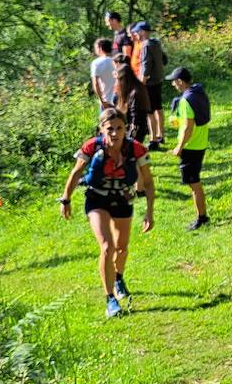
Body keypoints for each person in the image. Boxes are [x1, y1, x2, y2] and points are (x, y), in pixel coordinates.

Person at [60, 108, 155, 319]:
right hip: (97, 199)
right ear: (101, 129)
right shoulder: (92, 146)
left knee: (121, 249)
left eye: (119, 128)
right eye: (109, 129)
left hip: (122, 199)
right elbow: (76, 172)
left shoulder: (136, 149)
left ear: (126, 129)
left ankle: (118, 277)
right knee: (107, 247)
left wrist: (149, 212)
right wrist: (66, 199)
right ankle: (110, 298)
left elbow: (147, 182)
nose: (114, 133)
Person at [165, 67, 211, 230]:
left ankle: (202, 218)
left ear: (180, 81)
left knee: (194, 183)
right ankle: (202, 215)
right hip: (201, 143)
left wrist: (179, 147)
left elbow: (188, 129)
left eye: (174, 81)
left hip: (191, 146)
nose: (172, 84)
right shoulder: (198, 92)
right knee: (194, 181)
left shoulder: (185, 100)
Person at [131, 22, 168, 148]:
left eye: (136, 31)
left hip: (149, 83)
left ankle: (153, 141)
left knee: (150, 112)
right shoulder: (156, 43)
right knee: (158, 108)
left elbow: (145, 66)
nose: (135, 34)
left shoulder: (145, 45)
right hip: (158, 80)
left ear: (142, 32)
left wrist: (142, 84)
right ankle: (161, 136)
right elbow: (165, 60)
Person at [114, 58, 150, 143]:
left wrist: (131, 136)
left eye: (118, 79)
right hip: (132, 128)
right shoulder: (133, 89)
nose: (117, 82)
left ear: (123, 79)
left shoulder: (136, 93)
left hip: (135, 130)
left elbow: (136, 116)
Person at [90, 39, 117, 109]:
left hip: (106, 100)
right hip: (119, 99)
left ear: (100, 48)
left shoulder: (96, 63)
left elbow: (96, 84)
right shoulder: (117, 60)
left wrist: (102, 101)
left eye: (96, 48)